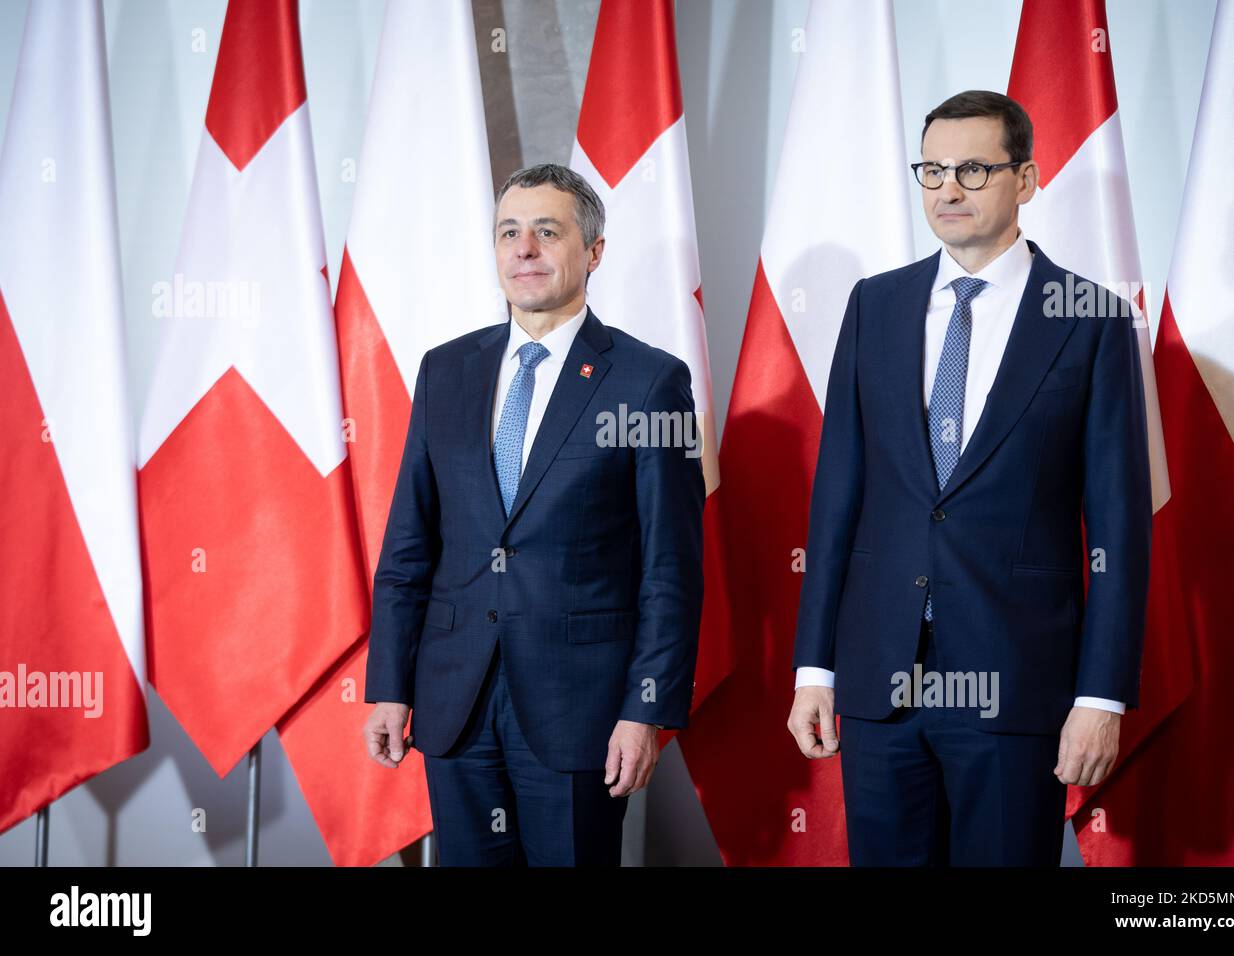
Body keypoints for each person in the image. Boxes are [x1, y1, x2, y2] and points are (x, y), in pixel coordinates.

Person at [787, 91, 1151, 865]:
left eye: (974, 169)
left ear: (1026, 178)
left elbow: (1120, 525)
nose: (948, 188)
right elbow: (838, 497)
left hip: (1017, 684)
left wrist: (1101, 696)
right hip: (880, 681)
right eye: (933, 170)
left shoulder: (1090, 318)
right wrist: (813, 667)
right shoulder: (875, 306)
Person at [363, 163, 705, 866]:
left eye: (547, 232)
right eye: (509, 233)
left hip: (580, 712)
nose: (524, 249)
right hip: (455, 704)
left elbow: (671, 570)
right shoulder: (445, 371)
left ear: (594, 250)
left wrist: (644, 709)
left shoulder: (650, 383)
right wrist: (390, 686)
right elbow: (409, 546)